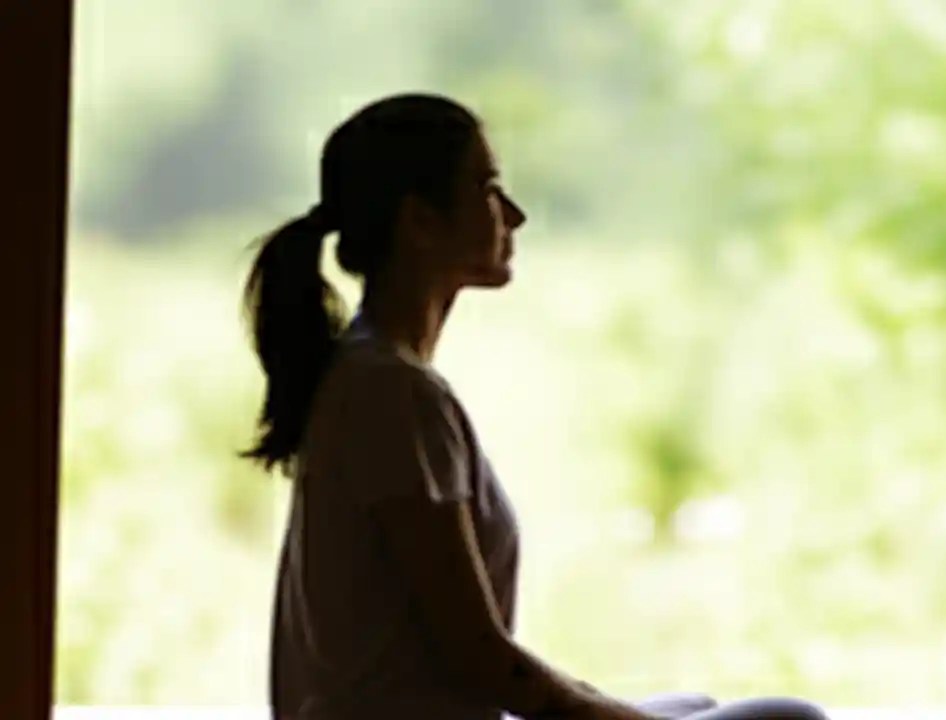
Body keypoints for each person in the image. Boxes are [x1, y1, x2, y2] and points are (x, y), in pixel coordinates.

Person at [239, 92, 831, 720]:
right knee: (791, 718)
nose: (514, 215)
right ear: (418, 221)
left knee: (695, 703)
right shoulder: (395, 395)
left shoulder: (371, 375)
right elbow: (481, 660)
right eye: (487, 187)